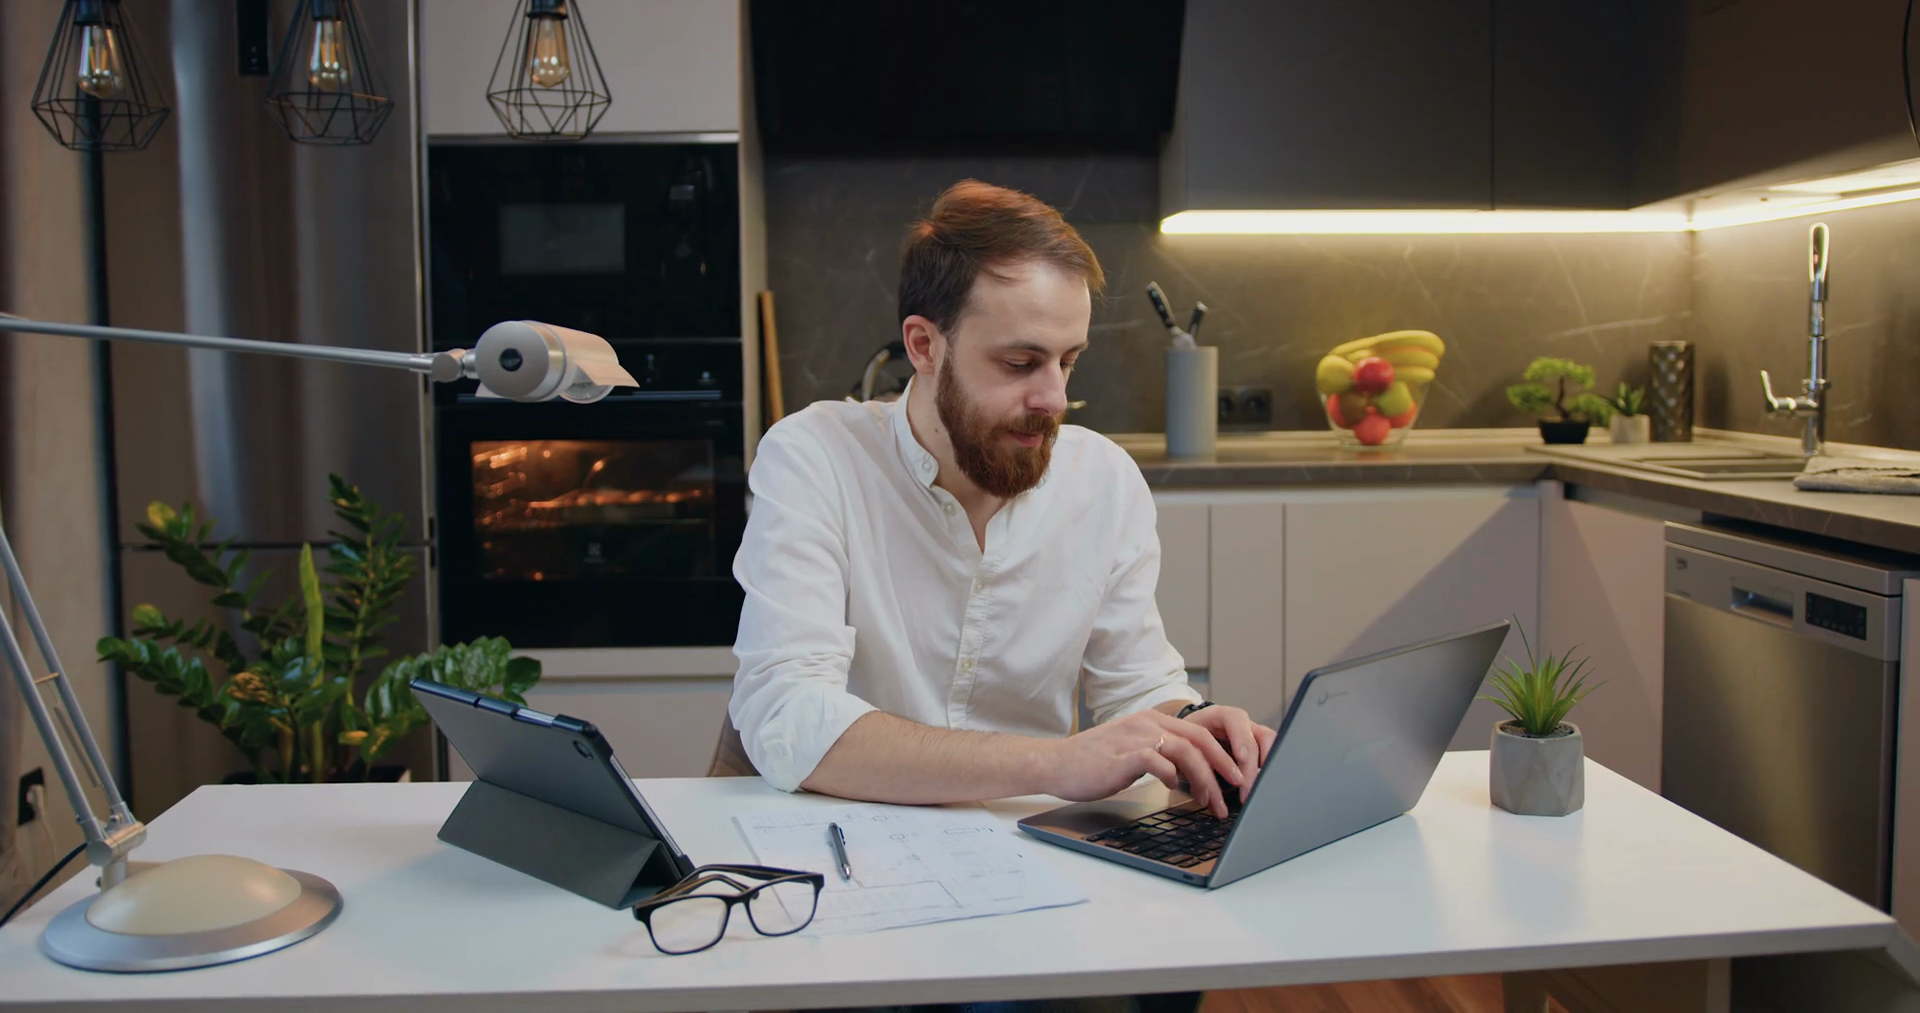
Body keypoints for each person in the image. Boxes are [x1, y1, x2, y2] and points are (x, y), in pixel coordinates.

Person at [728, 178, 1276, 821]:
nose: (1055, 400)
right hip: (853, 843)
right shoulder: (814, 458)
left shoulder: (1103, 479)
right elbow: (788, 715)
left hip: (1036, 851)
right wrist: (1055, 763)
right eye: (1021, 363)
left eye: (1068, 361)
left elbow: (1136, 686)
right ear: (924, 346)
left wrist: (1191, 726)